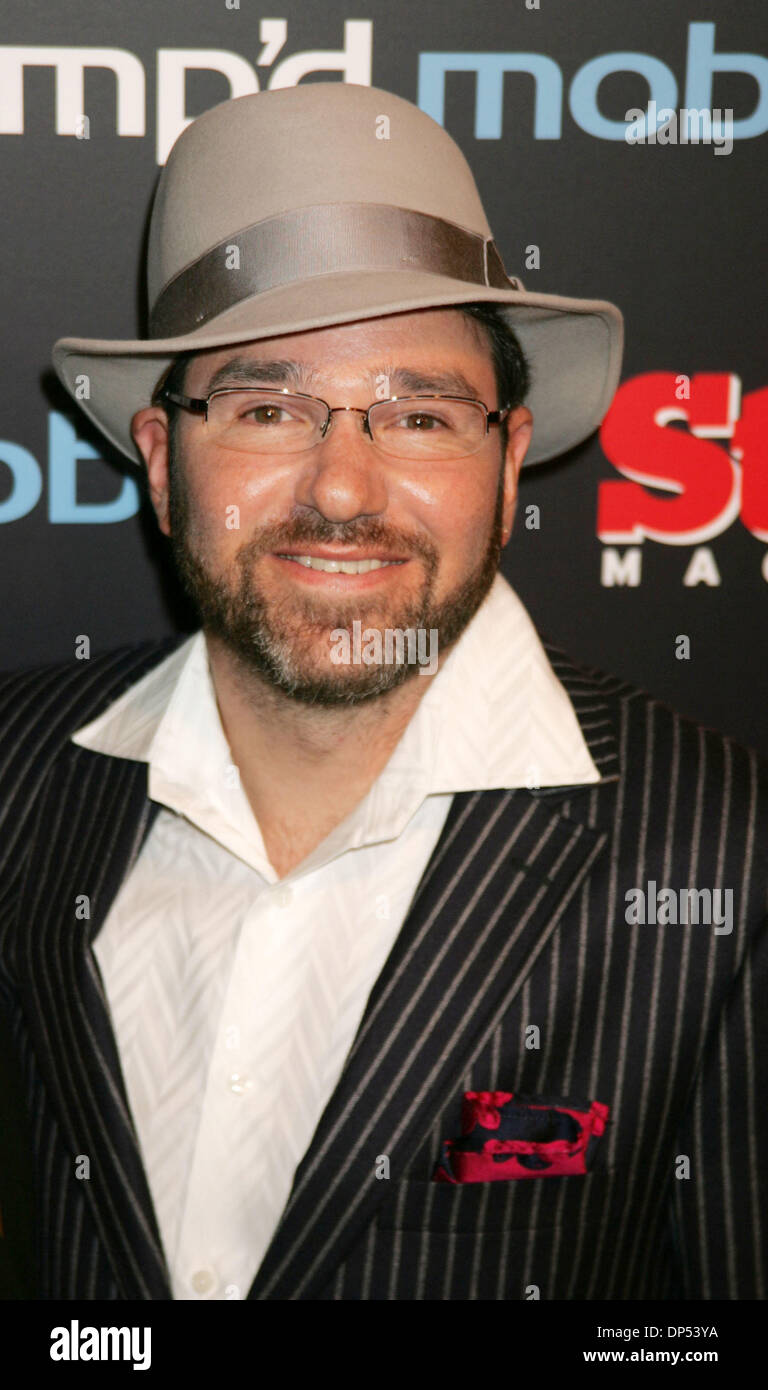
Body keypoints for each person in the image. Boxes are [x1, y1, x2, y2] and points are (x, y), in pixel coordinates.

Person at [0, 82, 765, 1303]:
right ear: (162, 461)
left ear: (508, 461)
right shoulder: (14, 777)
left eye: (419, 413)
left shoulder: (727, 854)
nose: (345, 489)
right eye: (267, 407)